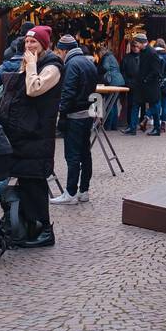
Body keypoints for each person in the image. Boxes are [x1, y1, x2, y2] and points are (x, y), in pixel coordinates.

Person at [0, 26, 61, 247]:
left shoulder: (52, 67)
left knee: (36, 184)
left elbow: (34, 89)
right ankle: (28, 228)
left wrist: (31, 65)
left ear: (44, 44)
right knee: (26, 183)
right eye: (26, 42)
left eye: (34, 42)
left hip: (38, 135)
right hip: (24, 135)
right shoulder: (31, 62)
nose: (29, 45)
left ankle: (45, 231)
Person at [52, 34, 98, 205]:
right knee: (85, 154)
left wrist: (61, 114)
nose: (59, 55)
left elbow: (68, 92)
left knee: (72, 155)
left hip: (74, 116)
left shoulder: (71, 65)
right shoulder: (88, 62)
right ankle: (84, 191)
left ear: (64, 50)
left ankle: (70, 193)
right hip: (87, 114)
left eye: (59, 52)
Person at [95, 42, 125, 130]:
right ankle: (114, 125)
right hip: (119, 81)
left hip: (112, 81)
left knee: (109, 104)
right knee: (113, 104)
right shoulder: (112, 56)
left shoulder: (106, 57)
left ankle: (108, 125)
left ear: (101, 52)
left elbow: (105, 67)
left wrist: (99, 70)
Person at [120, 39, 144, 134]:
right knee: (131, 105)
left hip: (141, 84)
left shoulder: (143, 56)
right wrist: (127, 82)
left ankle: (142, 123)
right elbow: (123, 71)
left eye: (137, 46)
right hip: (131, 84)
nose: (135, 48)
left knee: (142, 105)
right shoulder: (126, 58)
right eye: (133, 46)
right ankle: (130, 124)